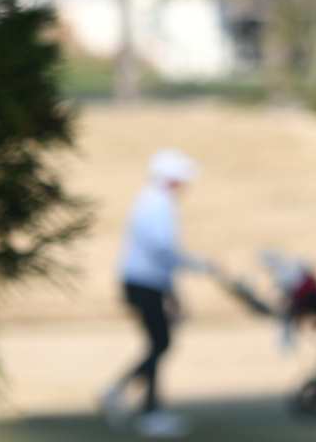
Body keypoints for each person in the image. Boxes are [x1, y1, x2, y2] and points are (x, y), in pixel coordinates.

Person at [101, 148, 208, 438]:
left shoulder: (154, 200)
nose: (185, 185)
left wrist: (173, 290)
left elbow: (161, 255)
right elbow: (162, 251)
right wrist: (196, 264)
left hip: (146, 282)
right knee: (161, 343)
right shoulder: (157, 203)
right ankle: (123, 396)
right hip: (143, 282)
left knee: (159, 343)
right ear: (171, 179)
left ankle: (148, 411)